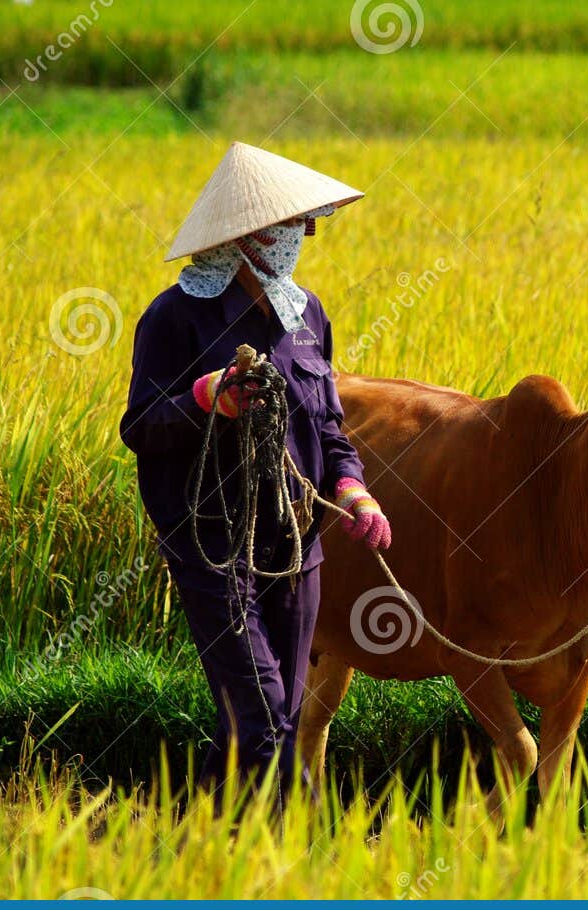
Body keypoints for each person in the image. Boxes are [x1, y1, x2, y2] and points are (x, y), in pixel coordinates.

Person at [119, 142, 392, 795]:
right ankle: (304, 846)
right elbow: (141, 427)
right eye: (288, 225)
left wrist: (354, 489)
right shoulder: (174, 317)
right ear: (243, 238)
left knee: (266, 719)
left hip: (296, 546)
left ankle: (202, 838)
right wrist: (207, 398)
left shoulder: (307, 314)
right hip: (213, 546)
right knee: (267, 721)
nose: (302, 236)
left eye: (304, 224)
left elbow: (328, 425)